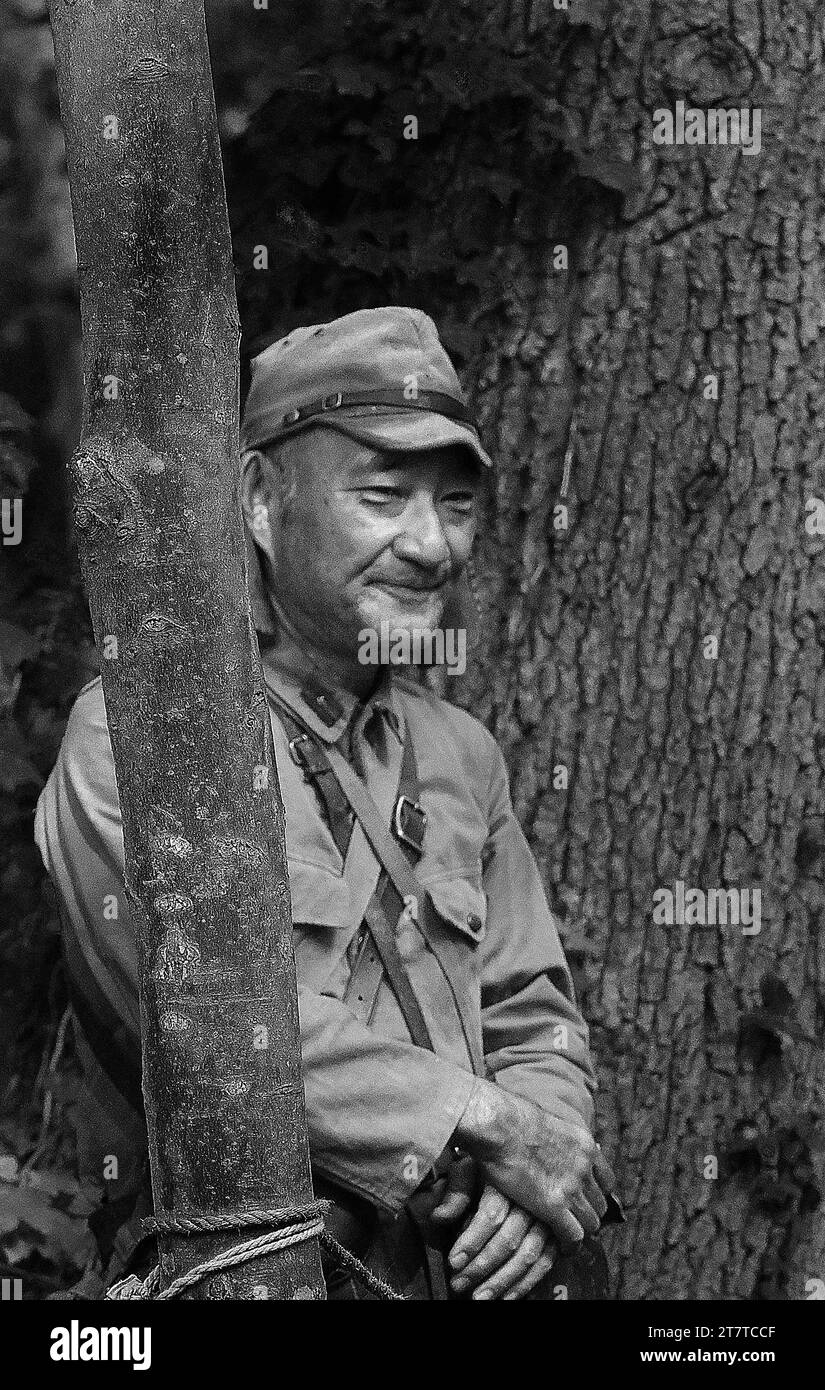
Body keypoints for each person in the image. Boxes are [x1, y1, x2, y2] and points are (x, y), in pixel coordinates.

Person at [34, 306, 616, 1300]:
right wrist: (491, 1124)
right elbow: (215, 1035)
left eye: (458, 504)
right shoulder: (141, 731)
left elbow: (533, 1014)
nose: (432, 546)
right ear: (262, 500)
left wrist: (539, 1160)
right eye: (384, 496)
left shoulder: (461, 754)